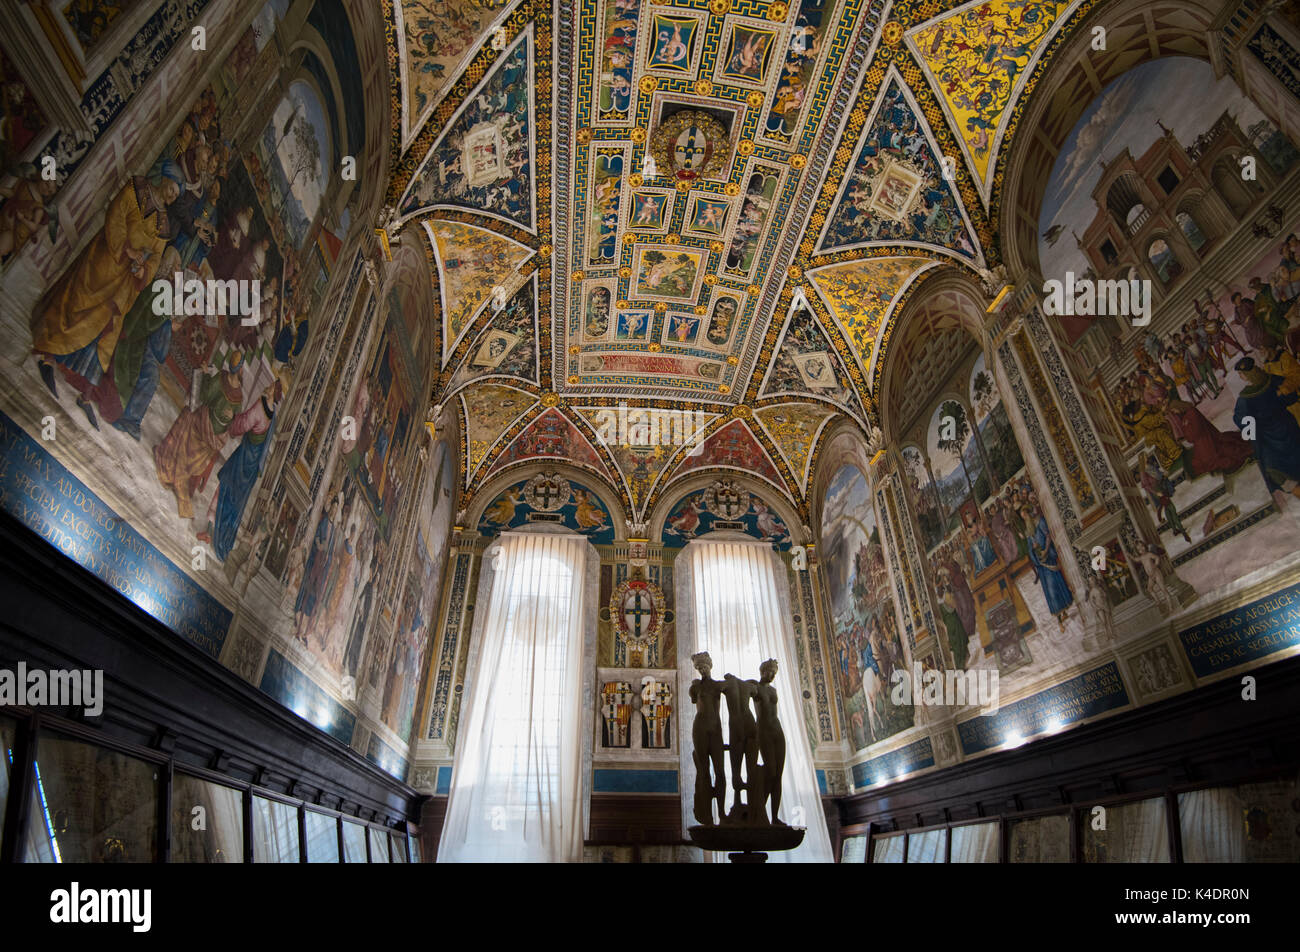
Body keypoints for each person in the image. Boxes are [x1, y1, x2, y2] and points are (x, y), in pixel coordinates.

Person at [1233, 357, 1300, 503]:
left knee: (1276, 470)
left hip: (1269, 439)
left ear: (1246, 375)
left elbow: (1242, 421)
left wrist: (1248, 432)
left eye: (1240, 374)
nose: (1240, 376)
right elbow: (1291, 395)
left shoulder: (1245, 398)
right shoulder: (1271, 380)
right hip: (1288, 427)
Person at [688, 652, 726, 826]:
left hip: (716, 729)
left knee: (720, 771)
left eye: (704, 666)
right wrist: (693, 686)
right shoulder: (696, 687)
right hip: (700, 728)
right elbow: (693, 698)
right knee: (703, 771)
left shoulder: (719, 686)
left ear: (710, 666)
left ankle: (722, 812)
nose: (702, 670)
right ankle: (706, 815)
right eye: (699, 667)